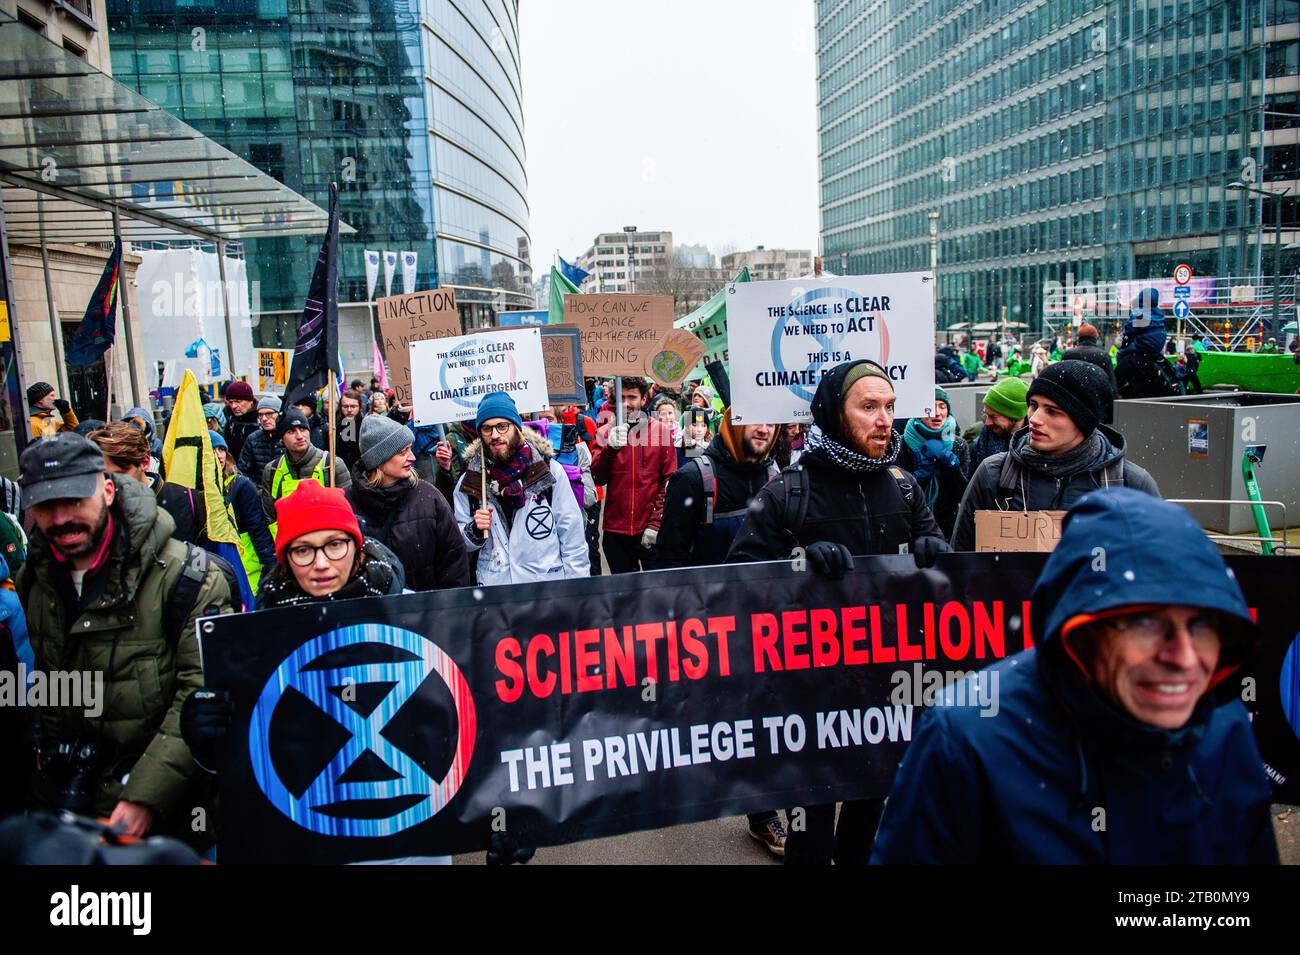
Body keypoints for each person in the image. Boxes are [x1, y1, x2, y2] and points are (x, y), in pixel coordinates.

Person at [873, 489, 1278, 864]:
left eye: (1204, 625)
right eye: (1145, 624)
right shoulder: (966, 739)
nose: (1185, 659)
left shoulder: (1225, 724)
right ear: (1080, 632)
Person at [727, 359, 950, 865]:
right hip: (810, 696)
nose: (885, 419)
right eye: (868, 407)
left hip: (885, 692)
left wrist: (933, 554)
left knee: (867, 820)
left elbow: (941, 561)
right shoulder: (789, 491)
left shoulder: (903, 486)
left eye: (890, 407)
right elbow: (738, 581)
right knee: (812, 828)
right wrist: (798, 565)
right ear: (833, 414)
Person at [15, 433, 232, 839]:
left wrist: (144, 796)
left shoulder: (189, 578)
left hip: (170, 816)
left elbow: (199, 690)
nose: (61, 518)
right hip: (72, 809)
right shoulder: (35, 581)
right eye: (46, 506)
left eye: (75, 501)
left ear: (108, 490)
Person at [655, 410, 785, 855]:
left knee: (759, 718)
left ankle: (763, 814)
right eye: (753, 419)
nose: (764, 428)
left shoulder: (777, 474)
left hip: (759, 625)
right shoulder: (693, 479)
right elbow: (668, 563)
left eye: (770, 421)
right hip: (702, 627)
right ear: (732, 423)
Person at [952, 360, 1159, 551]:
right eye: (1033, 405)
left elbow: (1158, 574)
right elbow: (961, 565)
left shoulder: (1130, 484)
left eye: (1052, 411)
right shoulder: (993, 473)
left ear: (1083, 420)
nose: (1034, 418)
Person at [452, 392, 589, 585]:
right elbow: (459, 542)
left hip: (545, 588)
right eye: (486, 429)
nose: (495, 435)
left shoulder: (548, 471)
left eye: (502, 426)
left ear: (516, 427)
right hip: (498, 591)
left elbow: (572, 536)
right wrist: (473, 530)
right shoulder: (471, 481)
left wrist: (578, 589)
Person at [345, 414, 469, 592]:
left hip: (426, 611)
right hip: (372, 615)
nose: (412, 457)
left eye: (410, 449)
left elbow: (454, 561)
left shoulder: (429, 497)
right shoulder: (347, 504)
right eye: (402, 452)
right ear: (378, 459)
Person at [255, 478, 406, 609]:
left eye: (334, 545)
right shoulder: (266, 614)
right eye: (303, 550)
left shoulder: (405, 607)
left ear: (356, 548)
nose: (321, 564)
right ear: (286, 559)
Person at [591, 377, 677, 573]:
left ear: (644, 399)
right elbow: (597, 477)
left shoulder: (660, 431)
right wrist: (610, 449)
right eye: (621, 397)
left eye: (632, 397)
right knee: (625, 596)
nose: (626, 404)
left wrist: (656, 523)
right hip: (616, 530)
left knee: (654, 594)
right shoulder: (605, 432)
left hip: (649, 528)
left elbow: (670, 480)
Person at [88, 422, 206, 545]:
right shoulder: (96, 507)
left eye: (119, 475)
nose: (110, 484)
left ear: (144, 463)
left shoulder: (189, 500)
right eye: (102, 476)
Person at [896, 387, 970, 538]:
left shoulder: (958, 445)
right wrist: (918, 477)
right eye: (931, 406)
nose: (937, 412)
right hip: (911, 525)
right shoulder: (901, 443)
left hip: (947, 526)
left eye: (942, 406)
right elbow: (896, 497)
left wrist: (951, 466)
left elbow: (962, 494)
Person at [259, 407, 351, 528]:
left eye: (303, 429)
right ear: (282, 438)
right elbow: (270, 516)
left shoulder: (331, 464)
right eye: (291, 431)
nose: (299, 436)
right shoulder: (272, 470)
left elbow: (348, 510)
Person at [211, 430, 275, 593]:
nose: (219, 456)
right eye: (213, 450)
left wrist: (271, 563)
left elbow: (257, 526)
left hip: (247, 561)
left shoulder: (241, 485)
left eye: (221, 449)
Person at [1115, 288, 1180, 398]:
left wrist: (1124, 344)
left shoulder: (1139, 312)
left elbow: (1130, 330)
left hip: (1135, 409)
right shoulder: (1159, 313)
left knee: (1120, 354)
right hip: (1155, 349)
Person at [963, 376, 1028, 473]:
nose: (987, 422)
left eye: (994, 417)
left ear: (1015, 416)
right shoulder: (981, 441)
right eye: (986, 414)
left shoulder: (1037, 447)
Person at [1060, 322, 1118, 414]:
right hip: (1096, 406)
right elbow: (1111, 388)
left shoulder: (1068, 355)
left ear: (1079, 338)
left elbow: (1061, 383)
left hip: (1073, 406)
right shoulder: (1103, 356)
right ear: (1095, 338)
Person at [237, 395, 284, 483]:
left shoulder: (288, 437)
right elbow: (243, 470)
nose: (264, 418)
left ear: (280, 414)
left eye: (269, 414)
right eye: (260, 415)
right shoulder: (253, 439)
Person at [221, 381, 259, 463]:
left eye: (238, 401)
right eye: (231, 402)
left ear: (250, 401)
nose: (234, 406)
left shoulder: (262, 418)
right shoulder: (229, 419)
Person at [334, 390, 366, 471]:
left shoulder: (366, 426)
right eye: (345, 406)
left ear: (360, 407)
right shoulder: (334, 427)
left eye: (353, 406)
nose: (349, 410)